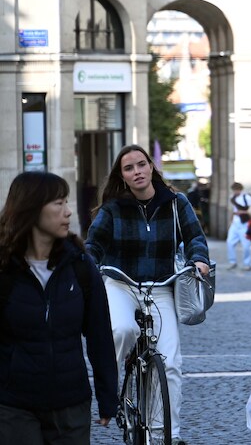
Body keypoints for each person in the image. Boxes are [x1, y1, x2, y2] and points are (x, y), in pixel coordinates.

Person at [85, 144, 211, 445]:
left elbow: (195, 236)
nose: (137, 171)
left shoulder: (176, 203)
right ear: (123, 176)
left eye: (141, 164)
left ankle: (166, 434)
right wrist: (87, 264)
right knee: (122, 329)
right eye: (129, 168)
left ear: (151, 167)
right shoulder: (113, 208)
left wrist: (199, 258)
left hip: (162, 286)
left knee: (169, 361)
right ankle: (111, 389)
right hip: (120, 283)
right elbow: (94, 245)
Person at [0, 172, 118, 444]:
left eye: (67, 202)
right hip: (14, 406)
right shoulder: (4, 269)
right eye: (59, 203)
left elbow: (99, 334)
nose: (68, 212)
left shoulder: (80, 266)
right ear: (32, 208)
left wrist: (107, 396)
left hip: (70, 405)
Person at [225, 182, 251, 270]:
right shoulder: (232, 198)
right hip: (235, 222)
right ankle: (232, 261)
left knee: (246, 245)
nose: (235, 192)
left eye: (236, 190)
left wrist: (242, 212)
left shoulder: (247, 198)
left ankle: (247, 264)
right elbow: (232, 210)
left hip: (245, 223)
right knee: (230, 242)